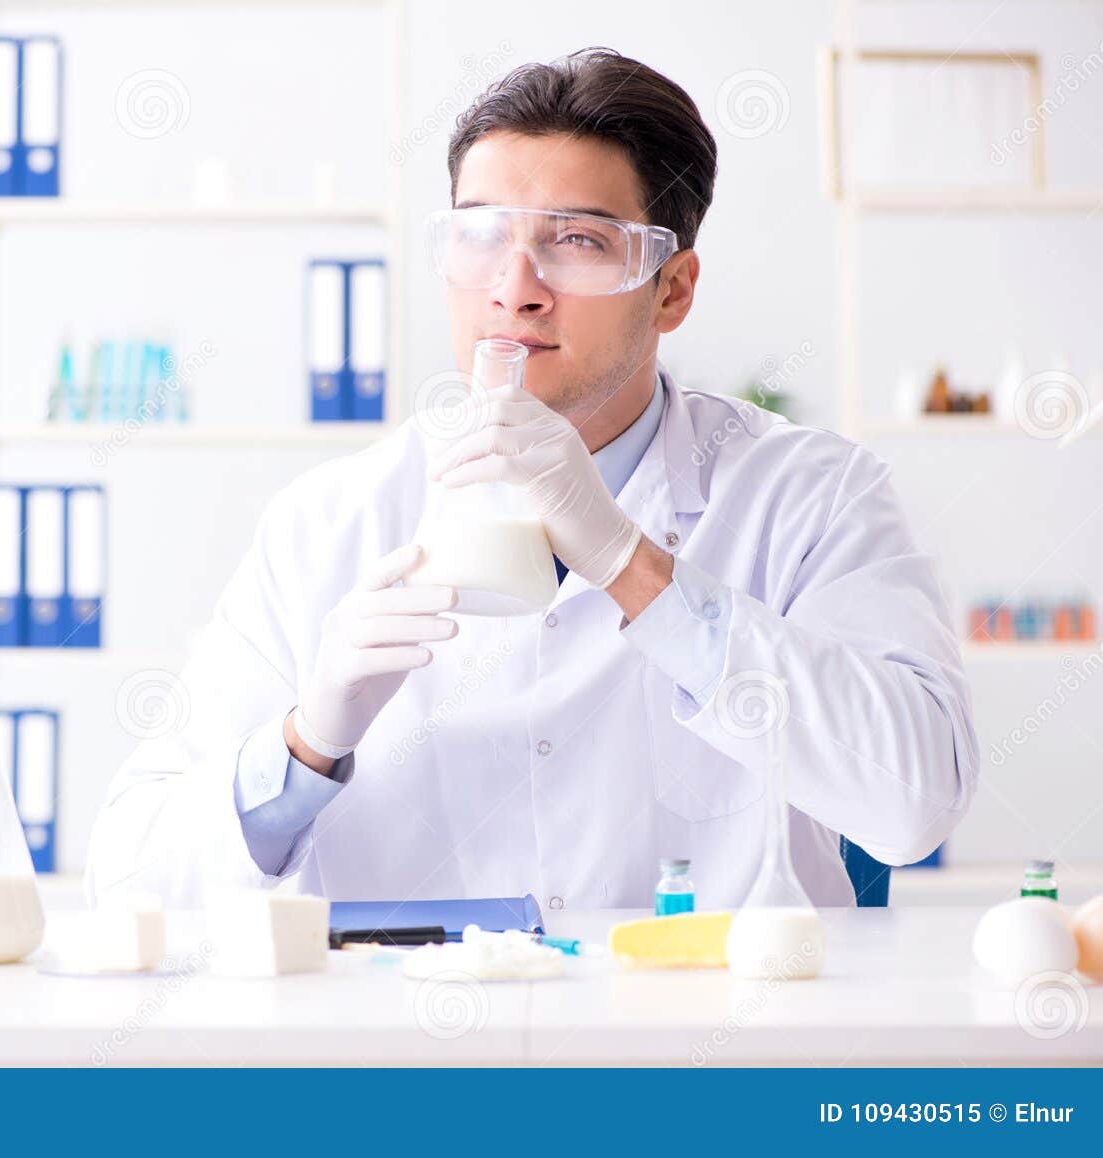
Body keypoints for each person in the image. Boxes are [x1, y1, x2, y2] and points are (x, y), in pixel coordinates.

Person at [86, 48, 977, 910]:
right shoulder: (329, 521)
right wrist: (306, 745)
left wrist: (633, 567)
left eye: (577, 240)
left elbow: (917, 803)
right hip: (408, 1016)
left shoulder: (809, 495)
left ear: (672, 289)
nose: (514, 289)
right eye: (480, 236)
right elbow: (128, 881)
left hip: (708, 1013)